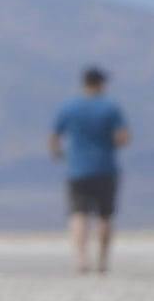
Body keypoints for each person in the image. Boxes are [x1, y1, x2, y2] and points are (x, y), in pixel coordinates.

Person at [50, 66, 131, 275]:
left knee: (78, 214)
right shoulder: (110, 108)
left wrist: (59, 155)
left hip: (77, 169)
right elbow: (123, 138)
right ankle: (103, 262)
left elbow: (54, 137)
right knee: (105, 215)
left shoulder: (69, 107)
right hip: (105, 168)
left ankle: (81, 260)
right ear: (102, 83)